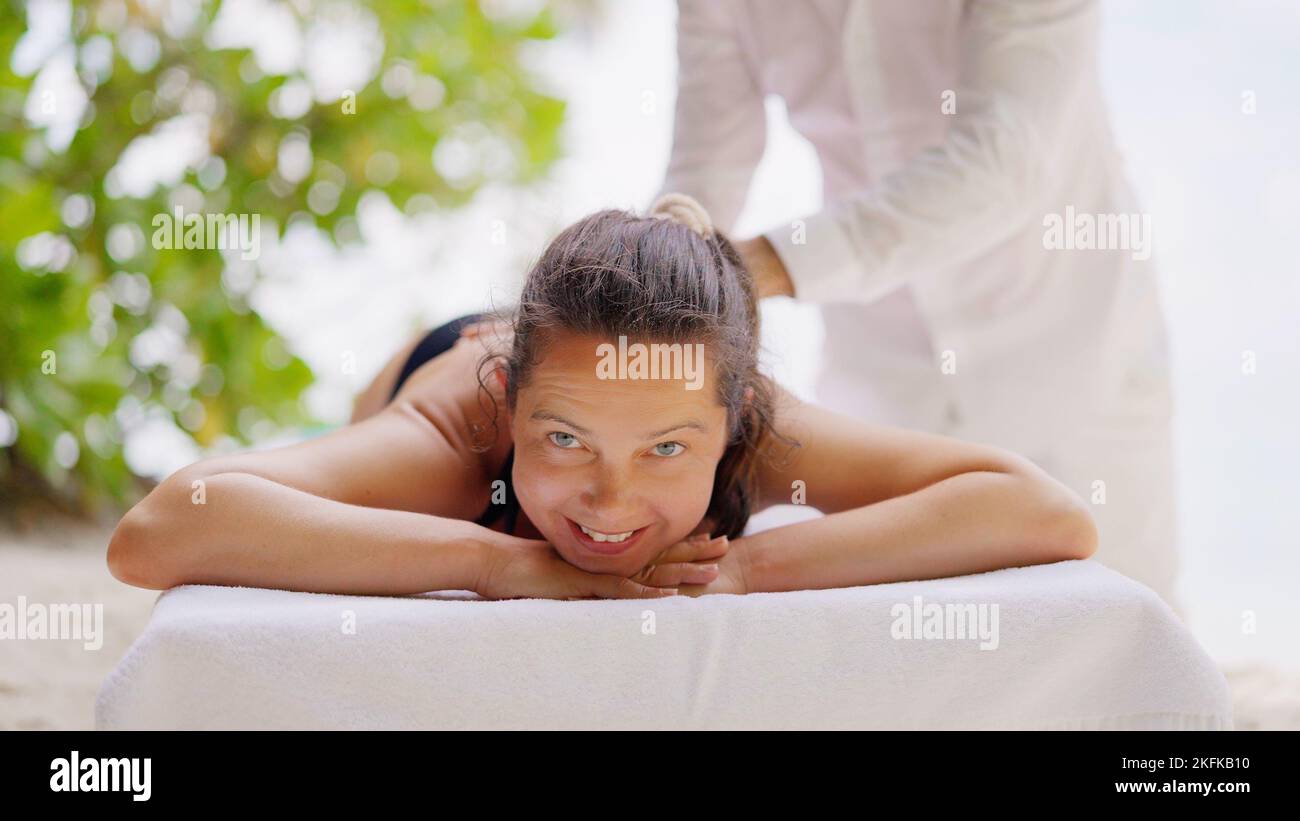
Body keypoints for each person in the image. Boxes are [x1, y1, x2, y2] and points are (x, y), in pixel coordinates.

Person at [107, 195, 1096, 599]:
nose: (611, 503)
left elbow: (1044, 510)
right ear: (512, 407)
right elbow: (157, 529)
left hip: (629, 346)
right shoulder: (462, 427)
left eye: (666, 452)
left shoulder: (745, 414)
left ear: (733, 425)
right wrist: (495, 562)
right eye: (566, 441)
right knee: (343, 457)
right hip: (458, 358)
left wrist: (748, 572)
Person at [659, 0, 1180, 612]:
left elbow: (1005, 164)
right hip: (877, 358)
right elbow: (706, 169)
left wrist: (754, 269)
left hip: (1072, 334)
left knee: (1122, 623)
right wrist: (647, 268)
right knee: (900, 635)